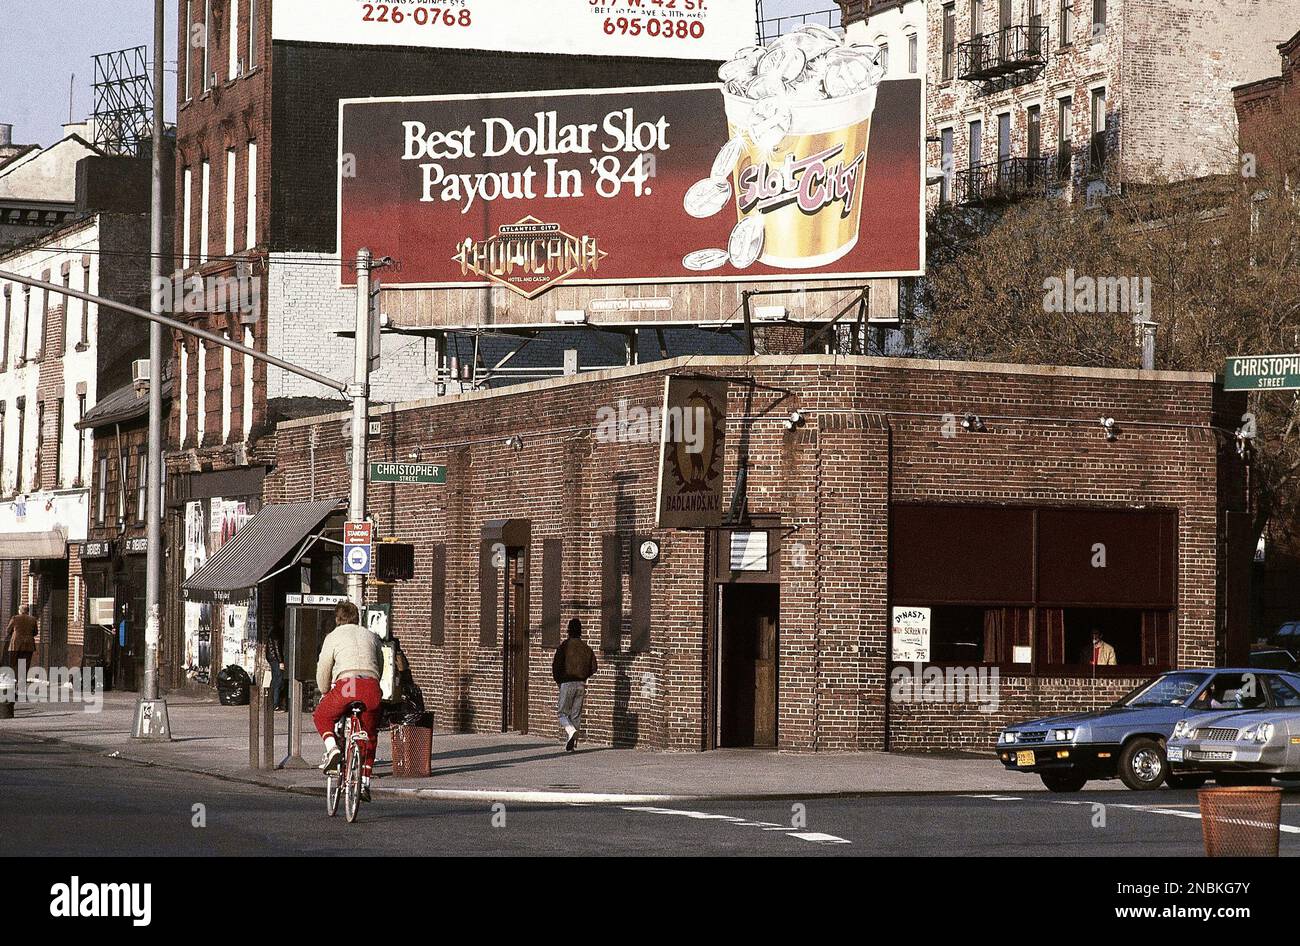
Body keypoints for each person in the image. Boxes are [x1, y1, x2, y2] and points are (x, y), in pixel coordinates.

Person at [313, 601, 383, 801]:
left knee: (322, 716)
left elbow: (324, 666)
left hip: (347, 685)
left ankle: (333, 749)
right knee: (369, 734)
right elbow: (381, 663)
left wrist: (325, 689)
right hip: (371, 685)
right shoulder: (371, 636)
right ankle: (365, 781)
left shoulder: (333, 637)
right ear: (357, 618)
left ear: (337, 619)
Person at [552, 617, 598, 752]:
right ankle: (572, 743)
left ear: (568, 630)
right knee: (576, 714)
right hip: (581, 683)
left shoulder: (564, 647)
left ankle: (571, 731)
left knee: (562, 713)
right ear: (580, 631)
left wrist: (558, 681)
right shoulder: (586, 648)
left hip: (566, 682)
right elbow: (594, 667)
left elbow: (556, 665)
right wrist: (584, 676)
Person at [5, 606, 38, 673]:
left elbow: (8, 630)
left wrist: (14, 635)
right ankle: (22, 679)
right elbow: (35, 632)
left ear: (19, 611)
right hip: (29, 644)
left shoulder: (15, 618)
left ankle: (15, 678)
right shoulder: (33, 619)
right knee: (26, 662)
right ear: (27, 611)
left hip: (16, 644)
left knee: (14, 661)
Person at [266, 632, 286, 712]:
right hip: (275, 659)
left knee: (275, 680)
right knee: (278, 681)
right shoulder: (276, 634)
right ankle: (275, 704)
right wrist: (280, 661)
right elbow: (277, 648)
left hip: (272, 658)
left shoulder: (272, 632)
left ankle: (271, 703)